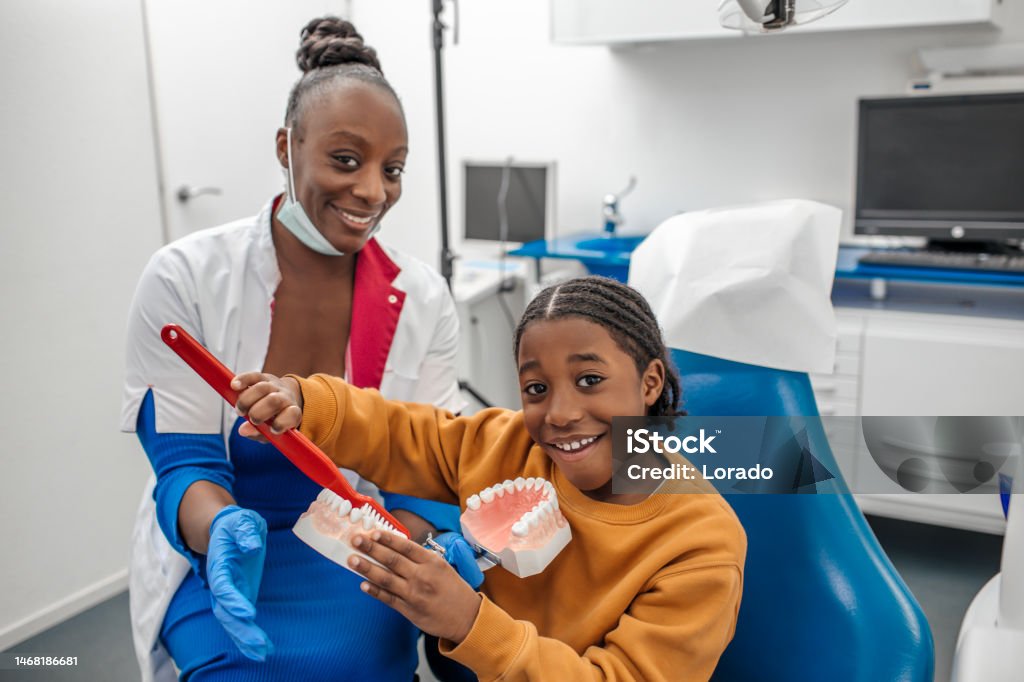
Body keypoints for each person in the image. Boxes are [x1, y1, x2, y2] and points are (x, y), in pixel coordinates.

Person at [122, 16, 480, 682]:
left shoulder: (423, 298)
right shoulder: (185, 278)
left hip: (359, 543)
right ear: (287, 146)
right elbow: (184, 463)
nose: (373, 191)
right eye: (346, 161)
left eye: (392, 170)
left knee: (362, 661)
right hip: (218, 544)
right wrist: (221, 533)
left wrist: (403, 546)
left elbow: (432, 459)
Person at [233, 276, 748, 681]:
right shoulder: (505, 444)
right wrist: (305, 402)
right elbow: (401, 433)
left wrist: (470, 623)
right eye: (536, 387)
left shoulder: (700, 545)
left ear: (650, 382)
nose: (561, 413)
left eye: (590, 380)